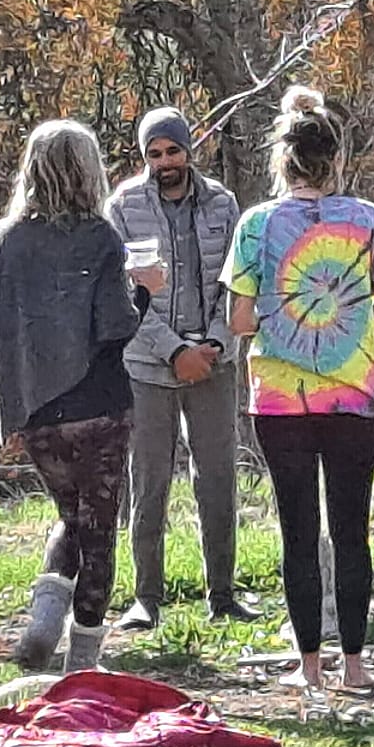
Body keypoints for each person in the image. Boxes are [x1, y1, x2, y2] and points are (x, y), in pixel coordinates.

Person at [0, 119, 166, 673]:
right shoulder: (99, 237)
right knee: (98, 528)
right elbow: (115, 326)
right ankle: (83, 657)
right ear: (88, 170)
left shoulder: (5, 239)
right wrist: (147, 291)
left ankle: (44, 617)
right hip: (99, 402)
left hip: (37, 410)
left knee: (69, 515)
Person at [223, 86, 374, 689]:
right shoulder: (368, 219)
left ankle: (309, 665)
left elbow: (240, 319)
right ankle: (355, 664)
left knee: (297, 528)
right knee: (352, 528)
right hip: (355, 394)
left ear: (282, 160)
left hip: (280, 396)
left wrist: (285, 307)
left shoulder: (255, 224)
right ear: (337, 159)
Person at [104, 106, 256, 631]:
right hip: (148, 364)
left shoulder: (222, 202)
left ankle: (223, 593)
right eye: (155, 153)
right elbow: (123, 294)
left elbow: (235, 279)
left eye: (173, 151)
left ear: (190, 150)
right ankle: (146, 596)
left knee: (216, 477)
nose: (165, 162)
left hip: (215, 359)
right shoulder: (123, 205)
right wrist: (172, 350)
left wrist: (214, 341)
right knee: (148, 480)